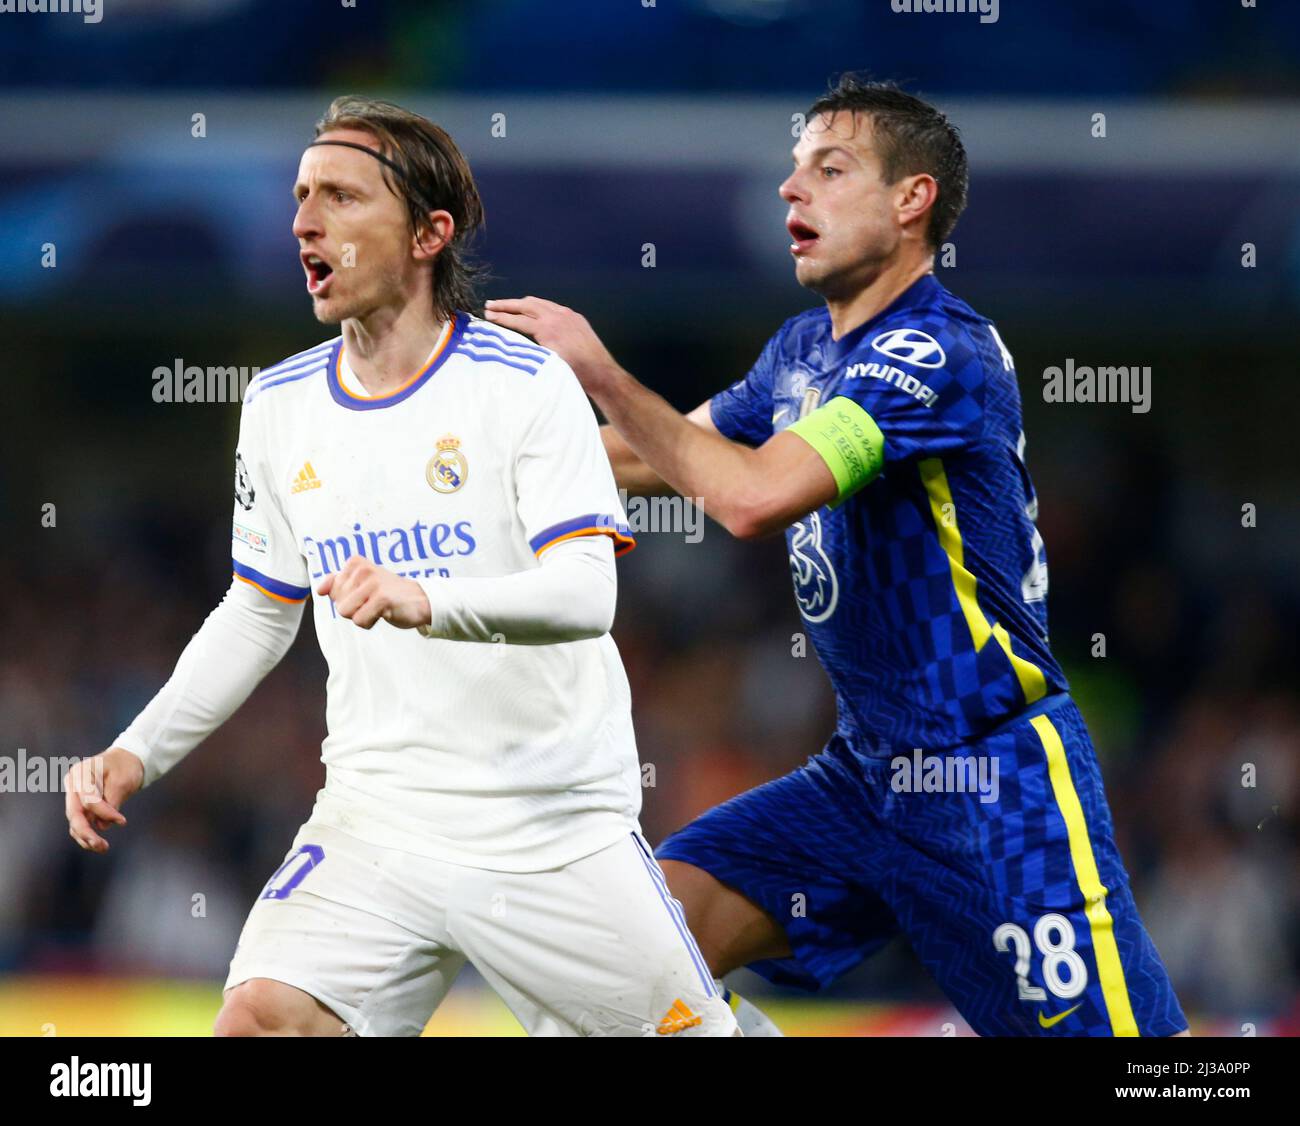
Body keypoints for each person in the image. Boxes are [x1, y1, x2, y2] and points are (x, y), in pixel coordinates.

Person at [485, 75, 1188, 1037]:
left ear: (912, 202)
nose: (791, 189)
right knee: (630, 957)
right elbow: (654, 457)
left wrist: (601, 370)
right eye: (791, 168)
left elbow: (750, 496)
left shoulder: (941, 353)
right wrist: (464, 463)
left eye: (829, 167)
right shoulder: (800, 353)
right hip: (864, 778)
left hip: (992, 780)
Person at [64, 95, 737, 1039]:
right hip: (376, 822)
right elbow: (259, 612)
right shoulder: (278, 404)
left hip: (549, 828)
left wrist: (427, 599)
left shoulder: (524, 383)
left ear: (430, 233)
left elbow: (587, 595)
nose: (306, 219)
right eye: (302, 196)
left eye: (341, 196)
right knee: (260, 1022)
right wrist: (139, 749)